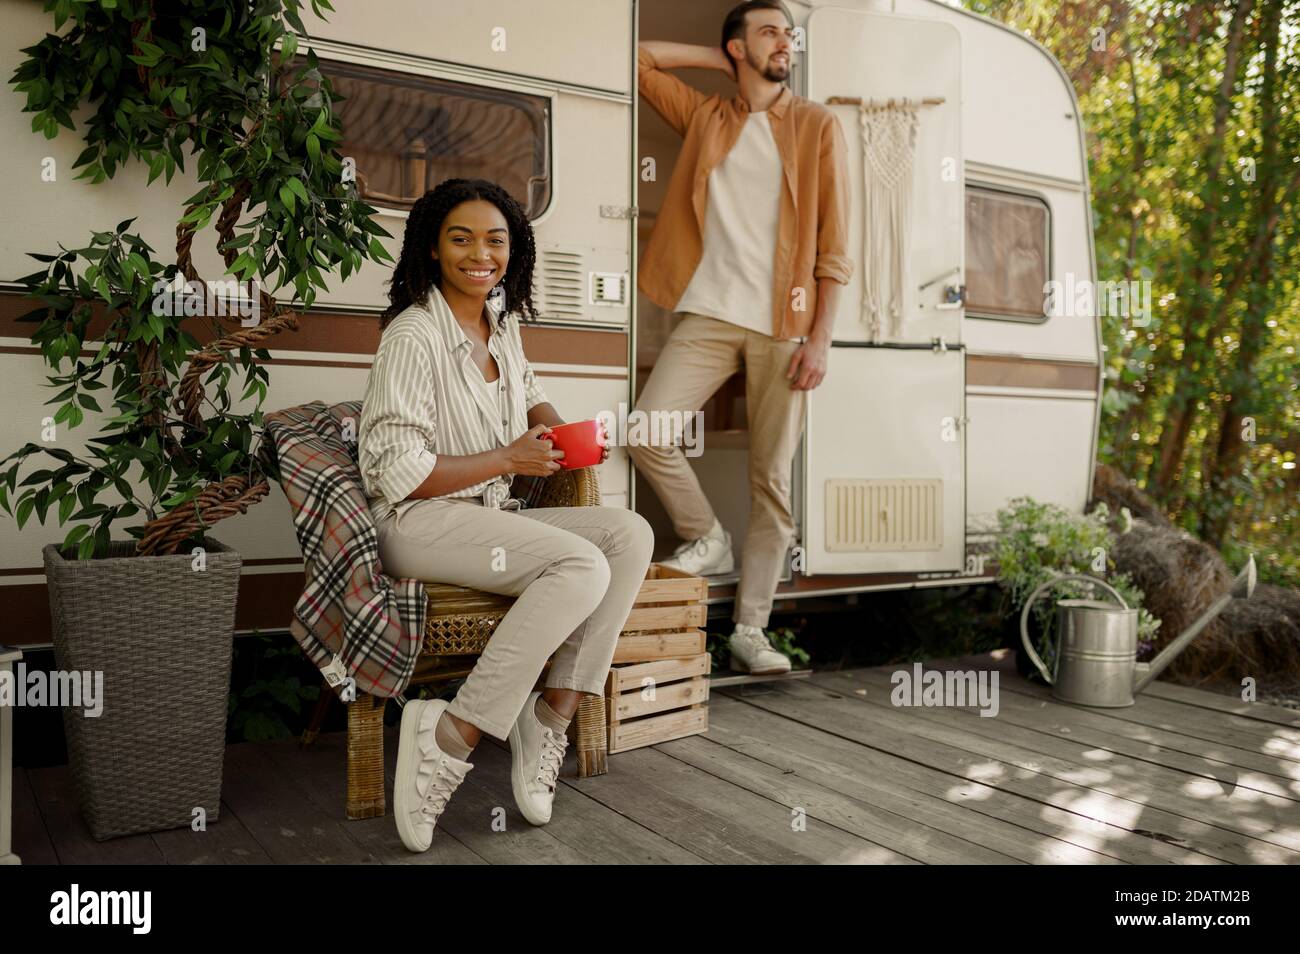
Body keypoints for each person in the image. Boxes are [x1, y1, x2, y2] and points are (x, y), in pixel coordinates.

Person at [358, 178, 654, 853]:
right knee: (580, 563)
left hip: (489, 519)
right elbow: (396, 471)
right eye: (460, 238)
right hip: (420, 524)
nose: (479, 253)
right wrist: (506, 459)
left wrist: (563, 433)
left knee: (628, 535)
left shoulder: (501, 320)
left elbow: (531, 395)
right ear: (432, 249)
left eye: (496, 240)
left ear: (513, 251)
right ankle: (451, 733)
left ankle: (550, 716)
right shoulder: (412, 336)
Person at [629, 1, 852, 674]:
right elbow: (636, 61)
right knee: (645, 431)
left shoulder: (816, 124)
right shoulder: (707, 118)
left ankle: (752, 630)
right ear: (738, 48)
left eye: (789, 33)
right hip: (708, 312)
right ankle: (706, 537)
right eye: (768, 33)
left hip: (785, 325)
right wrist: (718, 57)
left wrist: (822, 338)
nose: (785, 42)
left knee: (770, 481)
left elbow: (835, 244)